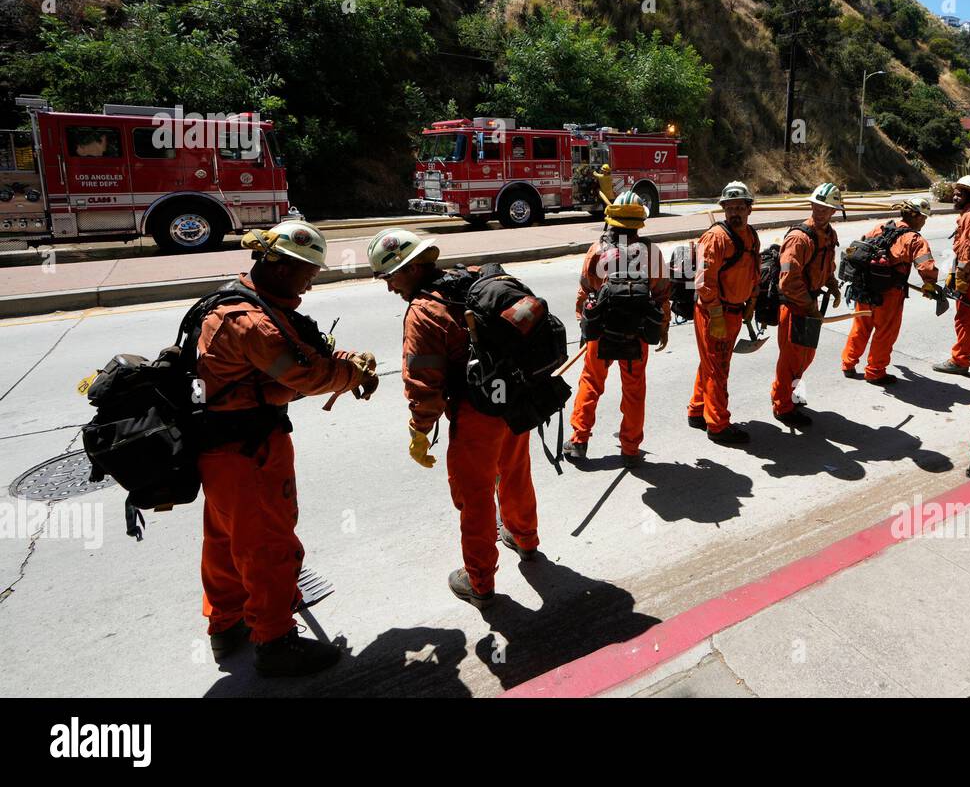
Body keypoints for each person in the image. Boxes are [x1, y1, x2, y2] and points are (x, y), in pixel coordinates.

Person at [196, 220, 379, 677]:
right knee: (269, 545)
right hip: (250, 451)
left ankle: (227, 626)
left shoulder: (237, 299)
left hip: (219, 449)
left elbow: (300, 356)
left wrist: (341, 360)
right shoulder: (253, 322)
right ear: (276, 265)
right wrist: (353, 374)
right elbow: (307, 375)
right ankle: (275, 642)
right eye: (306, 271)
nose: (311, 279)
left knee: (225, 540)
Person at [368, 229, 539, 608]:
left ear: (412, 268)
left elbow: (422, 382)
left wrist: (420, 430)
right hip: (514, 397)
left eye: (390, 276)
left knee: (475, 495)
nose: (389, 287)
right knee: (515, 470)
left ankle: (479, 582)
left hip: (476, 410)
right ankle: (525, 539)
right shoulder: (475, 276)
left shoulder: (423, 312)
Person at [565, 191, 671, 466]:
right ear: (639, 223)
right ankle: (631, 448)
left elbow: (585, 291)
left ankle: (579, 441)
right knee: (634, 390)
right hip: (636, 336)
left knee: (591, 383)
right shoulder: (651, 253)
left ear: (610, 220)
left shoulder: (598, 251)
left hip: (601, 334)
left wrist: (583, 325)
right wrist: (663, 327)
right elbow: (661, 296)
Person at [688, 181, 761, 445]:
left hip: (735, 312)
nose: (735, 213)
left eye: (740, 207)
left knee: (711, 364)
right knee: (718, 368)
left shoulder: (751, 236)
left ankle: (698, 410)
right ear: (723, 210)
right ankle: (718, 425)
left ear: (749, 209)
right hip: (713, 313)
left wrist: (751, 302)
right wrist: (717, 315)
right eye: (729, 208)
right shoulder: (716, 238)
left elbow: (755, 272)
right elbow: (705, 281)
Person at [840, 196, 939, 384]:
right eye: (924, 218)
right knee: (885, 333)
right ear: (916, 217)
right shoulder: (914, 239)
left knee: (860, 328)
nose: (924, 222)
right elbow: (926, 267)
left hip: (865, 288)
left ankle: (848, 363)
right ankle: (875, 372)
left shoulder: (881, 228)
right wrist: (930, 285)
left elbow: (860, 248)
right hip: (890, 294)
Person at [771, 182, 843, 427]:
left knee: (805, 357)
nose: (820, 211)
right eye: (817, 206)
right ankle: (782, 407)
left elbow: (826, 265)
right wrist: (809, 306)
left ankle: (789, 395)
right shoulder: (799, 239)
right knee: (791, 360)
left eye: (825, 207)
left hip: (810, 304)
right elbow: (788, 282)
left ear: (834, 211)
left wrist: (832, 285)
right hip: (794, 306)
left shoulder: (829, 235)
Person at [934, 175, 970, 375]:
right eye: (954, 194)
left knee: (966, 317)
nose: (954, 198)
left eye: (959, 195)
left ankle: (960, 360)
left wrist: (961, 275)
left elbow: (969, 248)